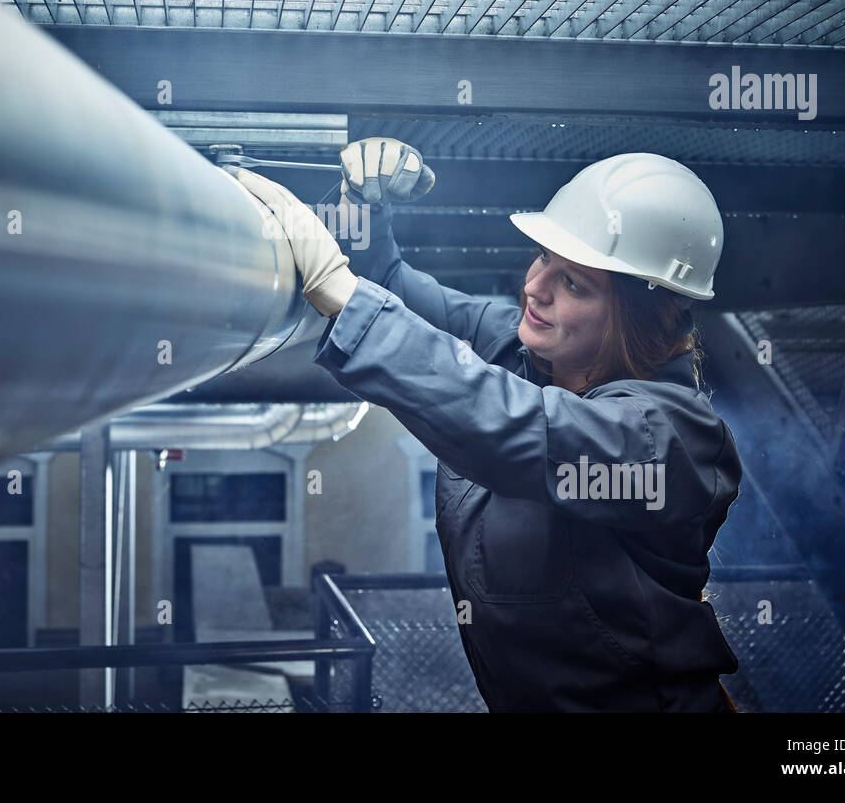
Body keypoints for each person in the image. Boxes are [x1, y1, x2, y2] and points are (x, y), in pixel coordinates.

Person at [229, 139, 741, 713]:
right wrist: (360, 208)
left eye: (574, 283)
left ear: (639, 317)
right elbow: (390, 286)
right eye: (543, 257)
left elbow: (519, 428)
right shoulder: (521, 352)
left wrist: (344, 296)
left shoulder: (665, 440)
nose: (535, 287)